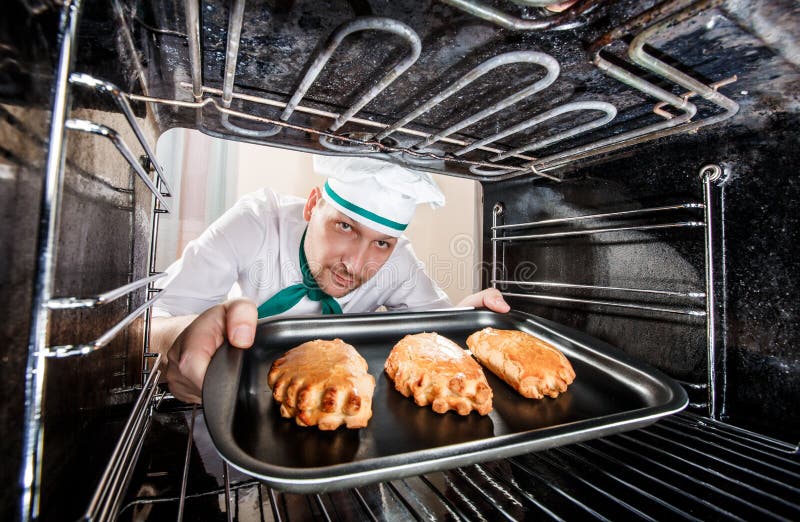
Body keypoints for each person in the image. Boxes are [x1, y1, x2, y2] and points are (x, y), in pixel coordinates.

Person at [151, 155, 510, 403]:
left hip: (341, 403)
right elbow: (153, 320)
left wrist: (468, 321)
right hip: (238, 398)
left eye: (381, 243)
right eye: (345, 227)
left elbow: (437, 332)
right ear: (313, 205)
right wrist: (176, 339)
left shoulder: (399, 260)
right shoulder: (256, 221)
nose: (355, 264)